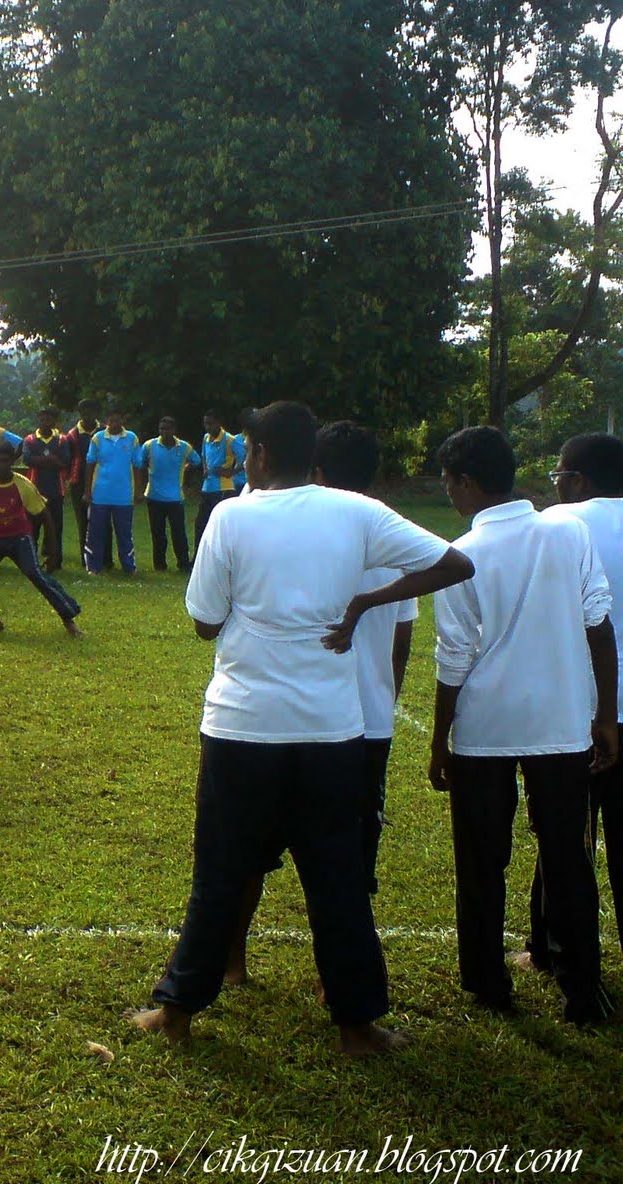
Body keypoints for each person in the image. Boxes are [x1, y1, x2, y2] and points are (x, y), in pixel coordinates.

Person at [128, 401, 472, 1056]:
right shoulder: (357, 512)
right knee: (338, 878)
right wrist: (365, 600)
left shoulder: (232, 515)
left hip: (240, 728)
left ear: (256, 454)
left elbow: (203, 620)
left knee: (221, 873)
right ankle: (356, 1024)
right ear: (306, 452)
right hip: (331, 732)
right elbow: (456, 563)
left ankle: (176, 1012)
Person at [430, 425, 617, 1023]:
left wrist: (440, 737)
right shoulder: (568, 533)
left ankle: (488, 982)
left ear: (465, 482)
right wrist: (605, 714)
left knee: (482, 859)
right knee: (566, 855)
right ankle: (581, 990)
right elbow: (599, 626)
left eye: (449, 482)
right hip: (563, 723)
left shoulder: (461, 554)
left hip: (485, 730)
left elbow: (454, 658)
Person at [225, 421, 421, 986]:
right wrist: (384, 697)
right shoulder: (388, 529)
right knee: (347, 861)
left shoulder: (276, 523)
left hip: (279, 717)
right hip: (362, 725)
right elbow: (402, 639)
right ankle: (340, 979)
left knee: (250, 848)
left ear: (313, 471)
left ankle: (233, 962)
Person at [545, 432, 623, 958]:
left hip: (576, 706)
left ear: (577, 480)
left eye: (558, 477)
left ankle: (553, 951)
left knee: (562, 839)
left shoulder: (557, 527)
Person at [0, 442, 82, 637]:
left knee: (35, 575)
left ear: (12, 462)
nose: (0, 465)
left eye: (4, 461)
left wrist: (53, 551)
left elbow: (46, 518)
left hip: (19, 538)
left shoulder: (23, 485)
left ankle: (69, 618)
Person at [135, 417, 201, 571]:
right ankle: (159, 565)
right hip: (154, 496)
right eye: (161, 429)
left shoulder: (183, 447)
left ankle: (183, 564)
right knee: (158, 533)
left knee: (179, 533)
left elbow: (196, 461)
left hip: (175, 497)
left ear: (174, 431)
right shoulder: (150, 446)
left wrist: (185, 473)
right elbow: (140, 463)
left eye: (167, 429)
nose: (164, 432)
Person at [83, 406, 140, 575]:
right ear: (106, 420)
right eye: (111, 420)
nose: (114, 423)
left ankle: (129, 567)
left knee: (124, 533)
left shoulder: (132, 438)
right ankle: (93, 567)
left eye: (117, 420)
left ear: (122, 420)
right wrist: (87, 491)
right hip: (100, 494)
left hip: (123, 496)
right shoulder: (98, 438)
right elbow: (90, 464)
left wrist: (138, 491)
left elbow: (137, 466)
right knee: (95, 532)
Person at [22, 408, 69, 570]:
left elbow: (65, 461)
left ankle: (55, 562)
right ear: (38, 419)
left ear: (54, 421)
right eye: (43, 418)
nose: (45, 421)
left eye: (49, 418)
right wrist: (51, 460)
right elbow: (28, 460)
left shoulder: (62, 439)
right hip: (35, 490)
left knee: (56, 528)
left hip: (56, 490)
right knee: (32, 529)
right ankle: (31, 562)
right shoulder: (29, 440)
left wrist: (40, 460)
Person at [62, 399, 99, 572]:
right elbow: (67, 460)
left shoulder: (103, 431)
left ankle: (104, 557)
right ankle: (85, 557)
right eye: (84, 412)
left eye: (90, 411)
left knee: (102, 521)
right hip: (78, 481)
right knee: (82, 521)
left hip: (101, 480)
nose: (87, 415)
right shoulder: (72, 435)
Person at [194, 410, 236, 549]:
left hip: (223, 488)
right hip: (208, 487)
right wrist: (205, 468)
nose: (208, 427)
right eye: (205, 424)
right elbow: (203, 455)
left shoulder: (229, 439)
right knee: (200, 524)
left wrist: (232, 471)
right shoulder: (206, 438)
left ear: (218, 423)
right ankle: (197, 557)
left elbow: (245, 457)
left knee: (220, 526)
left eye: (211, 424)